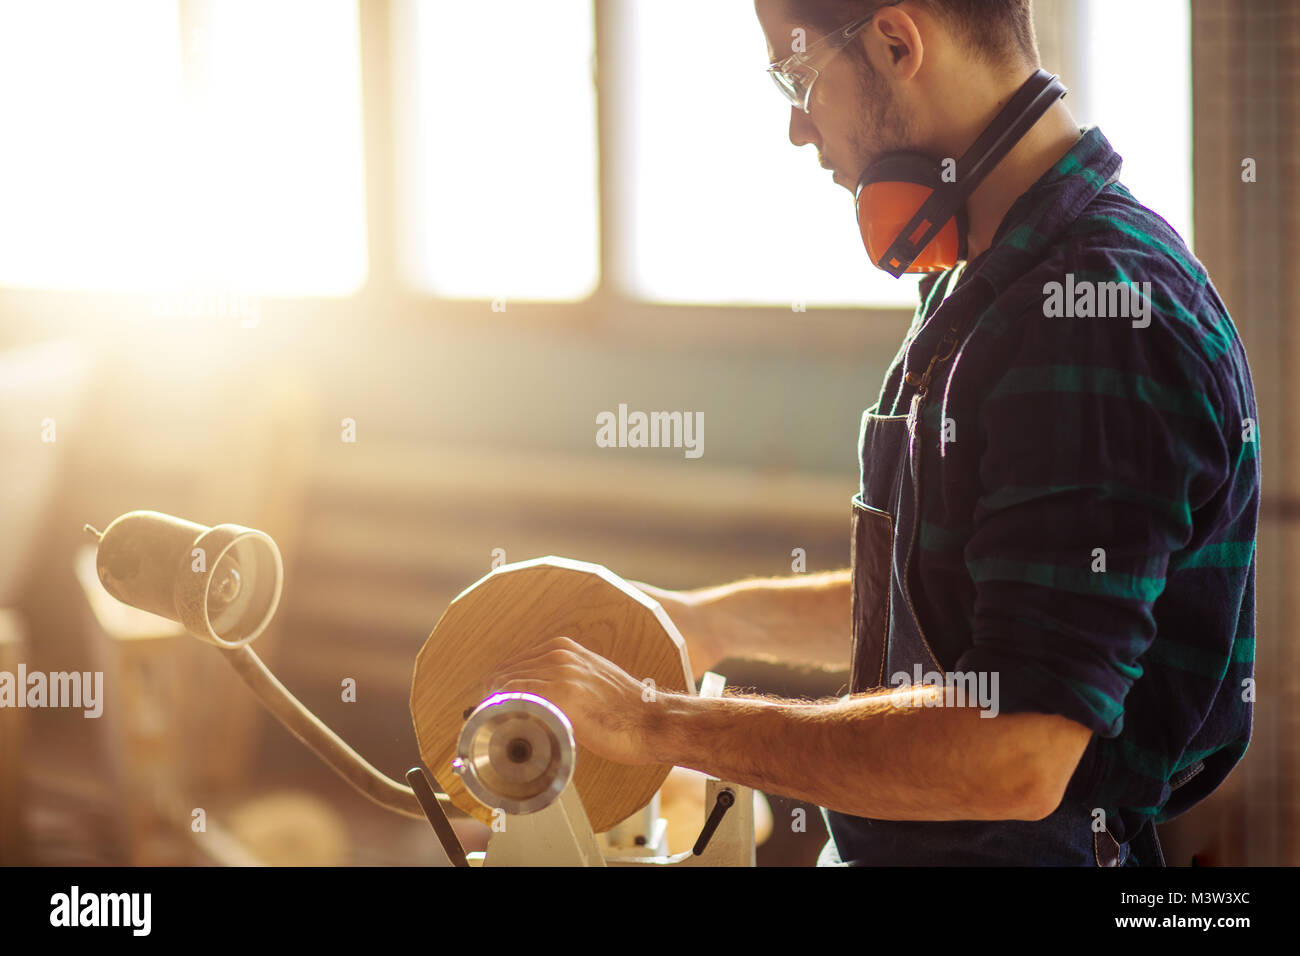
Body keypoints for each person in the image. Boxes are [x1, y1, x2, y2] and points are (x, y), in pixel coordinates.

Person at [489, 0, 1259, 866]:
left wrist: (653, 723)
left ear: (897, 42)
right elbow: (961, 604)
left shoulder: (1091, 313)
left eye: (800, 77)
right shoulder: (989, 275)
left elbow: (1015, 755)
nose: (794, 128)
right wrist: (696, 623)